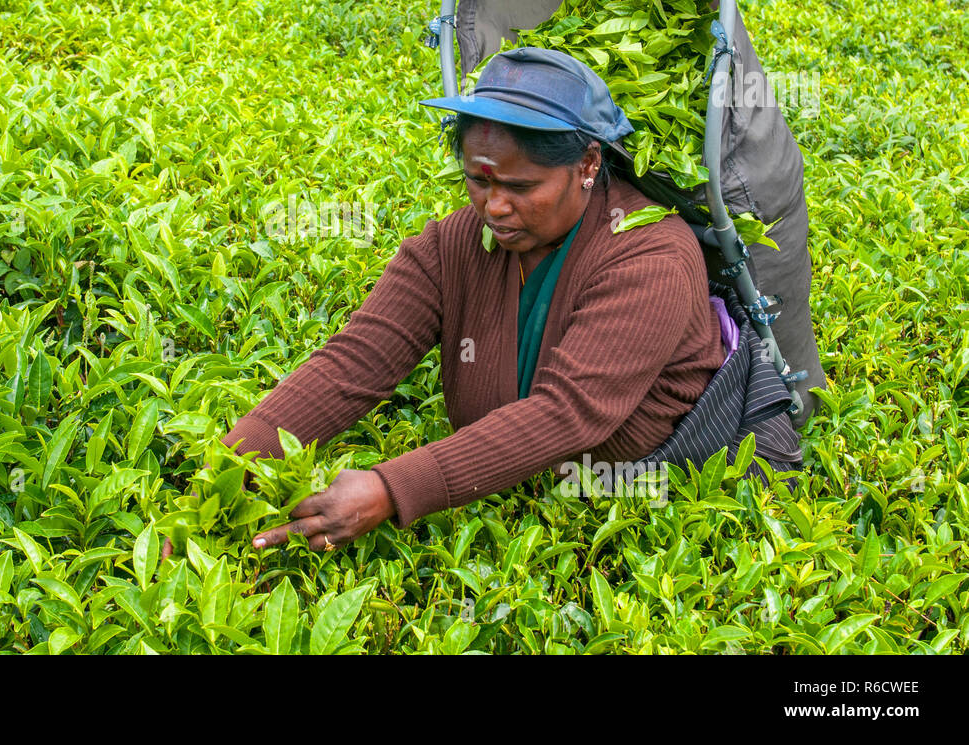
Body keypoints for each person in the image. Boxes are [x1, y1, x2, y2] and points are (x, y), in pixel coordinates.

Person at [215, 48, 763, 554]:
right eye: (478, 180)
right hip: (509, 497)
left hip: (634, 507)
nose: (494, 207)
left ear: (589, 165)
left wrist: (390, 488)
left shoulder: (650, 255)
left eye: (521, 187)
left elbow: (567, 414)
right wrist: (225, 471)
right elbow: (357, 361)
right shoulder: (451, 246)